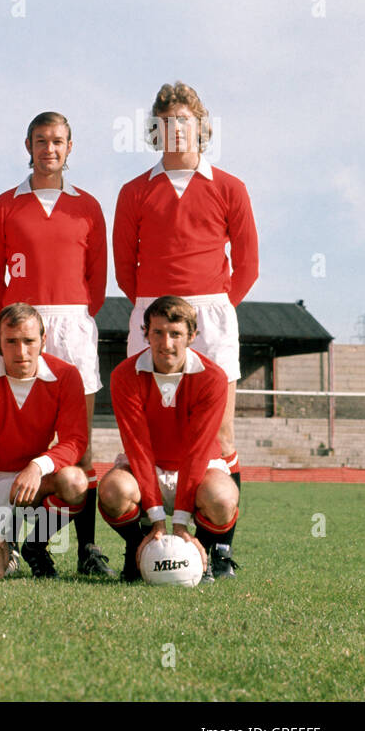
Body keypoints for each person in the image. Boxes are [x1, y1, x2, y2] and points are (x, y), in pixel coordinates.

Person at [112, 82, 258, 510]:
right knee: (147, 433)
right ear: (155, 130)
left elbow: (247, 264)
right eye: (167, 122)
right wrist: (153, 308)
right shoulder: (134, 191)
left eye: (185, 121)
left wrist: (218, 307)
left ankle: (220, 545)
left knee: (221, 434)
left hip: (211, 312)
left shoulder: (230, 187)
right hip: (152, 313)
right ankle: (147, 534)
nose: (176, 128)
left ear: (201, 127)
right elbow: (125, 269)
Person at [0, 111, 114, 577]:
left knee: (81, 447)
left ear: (70, 147)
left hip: (72, 320)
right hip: (22, 324)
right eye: (41, 141)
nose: (49, 149)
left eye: (57, 141)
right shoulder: (2, 205)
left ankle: (87, 549)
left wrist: (71, 314)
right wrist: (11, 325)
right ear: (28, 145)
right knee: (22, 439)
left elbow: (97, 282)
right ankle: (30, 546)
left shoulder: (88, 206)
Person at [98, 295, 240, 582]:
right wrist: (158, 522)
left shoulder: (212, 378)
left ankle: (203, 552)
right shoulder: (125, 375)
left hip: (199, 469)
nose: (166, 343)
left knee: (223, 499)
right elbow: (138, 448)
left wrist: (181, 524)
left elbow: (196, 453)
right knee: (113, 490)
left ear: (192, 336)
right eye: (158, 333)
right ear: (145, 334)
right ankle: (138, 546)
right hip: (145, 468)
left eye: (176, 334)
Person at [0, 304, 89, 579]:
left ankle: (35, 546)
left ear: (43, 340)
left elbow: (75, 440)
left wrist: (38, 466)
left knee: (75, 481)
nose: (22, 351)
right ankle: (1, 543)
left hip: (29, 483)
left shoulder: (66, 375)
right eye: (11, 341)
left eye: (29, 341)